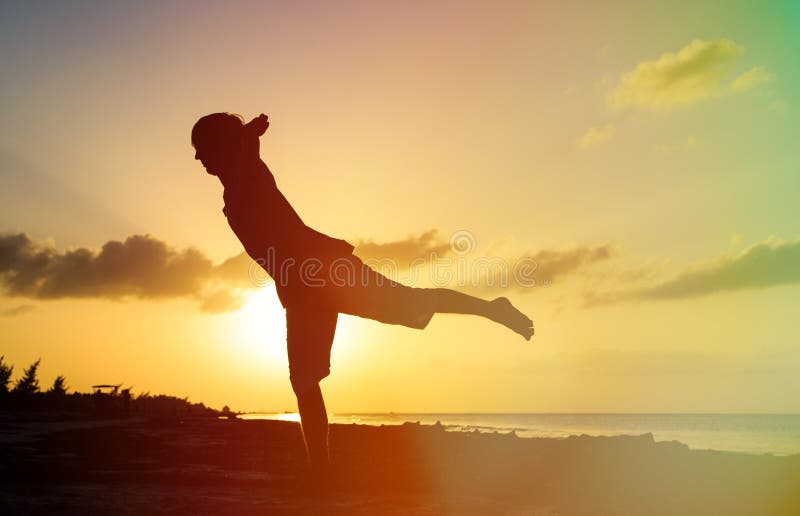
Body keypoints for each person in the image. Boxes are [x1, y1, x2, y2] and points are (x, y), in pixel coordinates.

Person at [191, 112, 534, 477]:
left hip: (325, 270)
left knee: (410, 303)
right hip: (299, 288)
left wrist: (248, 132)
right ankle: (320, 470)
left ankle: (493, 309)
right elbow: (247, 146)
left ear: (223, 147)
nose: (198, 158)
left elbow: (247, 151)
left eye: (202, 149)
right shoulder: (237, 177)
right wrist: (249, 132)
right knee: (304, 380)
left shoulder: (248, 174)